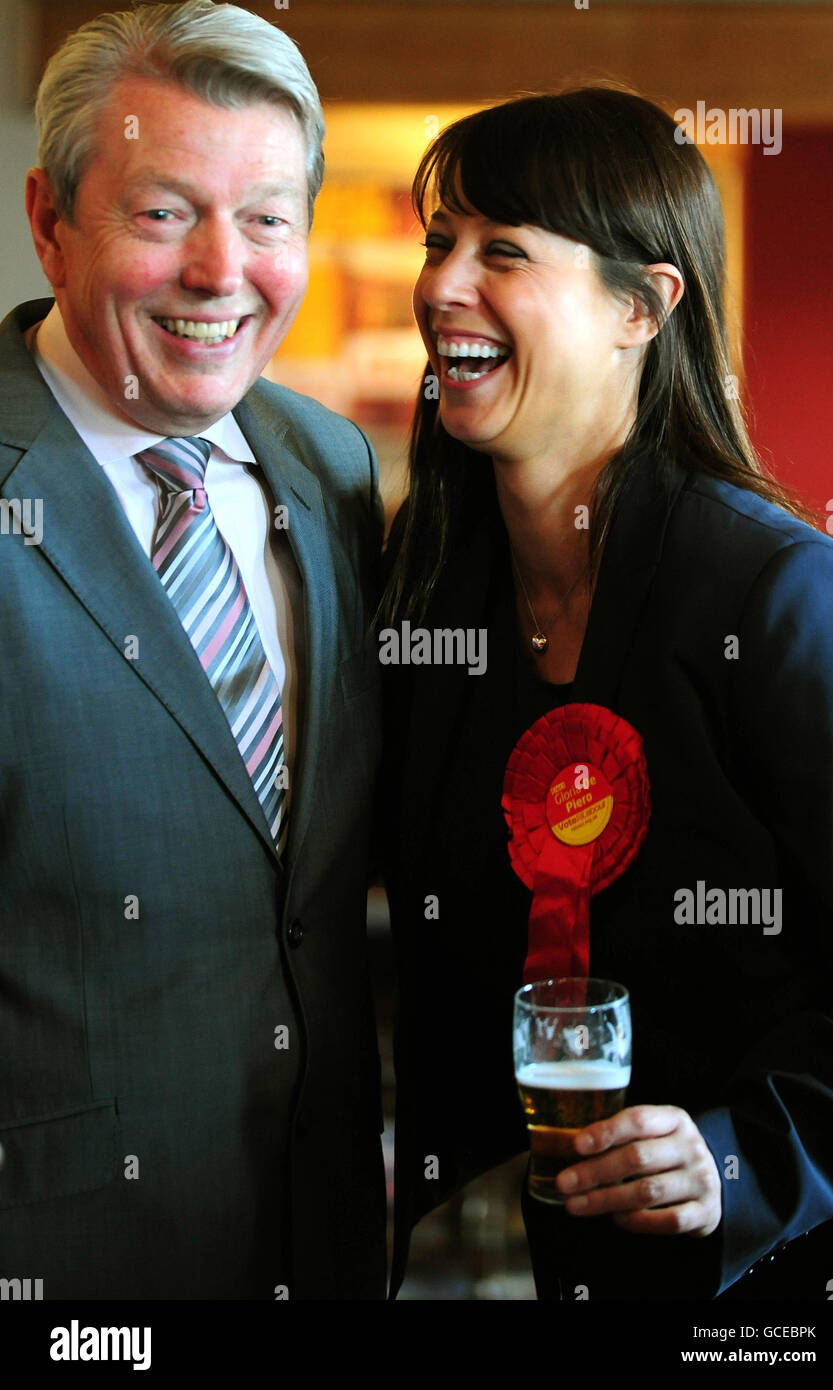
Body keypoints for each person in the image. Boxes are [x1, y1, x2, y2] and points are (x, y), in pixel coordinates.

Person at [380, 88, 833, 1301]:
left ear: (641, 308)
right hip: (505, 1263)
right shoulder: (424, 584)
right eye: (438, 242)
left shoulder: (781, 597)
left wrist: (738, 1157)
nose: (441, 288)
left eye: (502, 251)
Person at [0, 1, 384, 1300]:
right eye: (165, 213)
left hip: (316, 1246)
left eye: (268, 218)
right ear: (51, 219)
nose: (224, 270)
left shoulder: (328, 467)